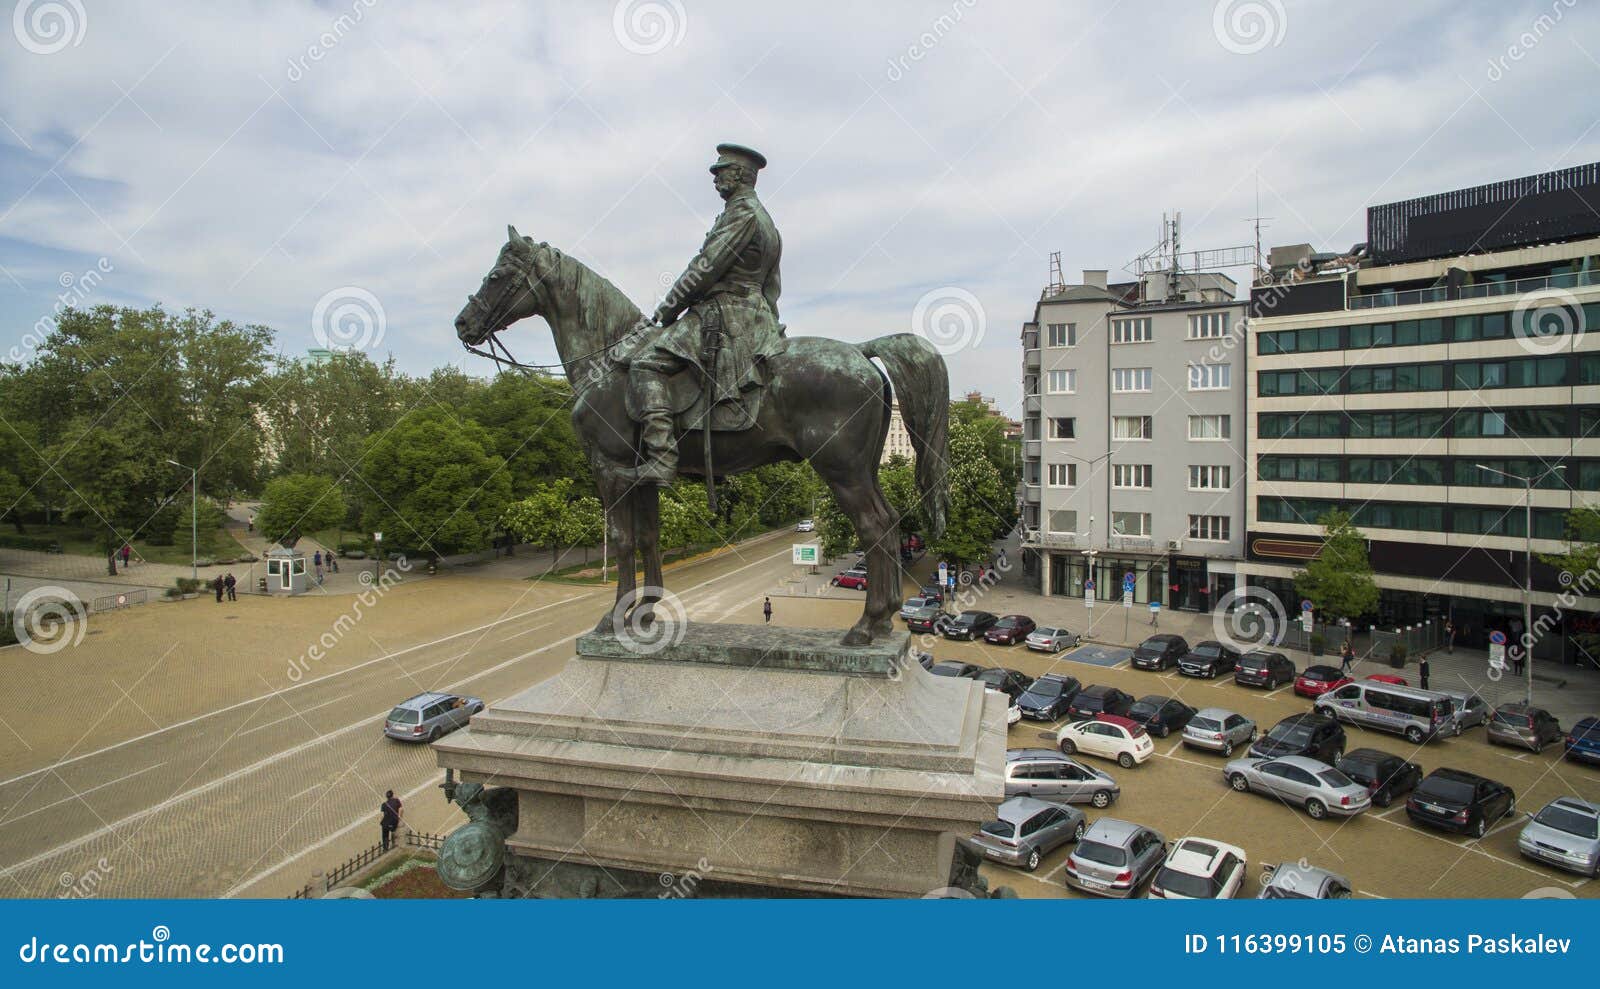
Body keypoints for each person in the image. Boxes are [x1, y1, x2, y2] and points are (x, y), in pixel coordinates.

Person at [626, 144, 783, 486]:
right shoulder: (765, 220)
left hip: (729, 312)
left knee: (646, 363)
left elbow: (705, 267)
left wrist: (669, 307)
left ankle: (662, 459)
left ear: (740, 175)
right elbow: (772, 286)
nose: (715, 178)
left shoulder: (742, 214)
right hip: (755, 313)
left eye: (721, 171)